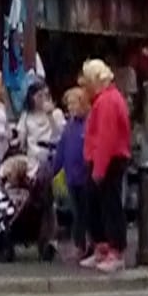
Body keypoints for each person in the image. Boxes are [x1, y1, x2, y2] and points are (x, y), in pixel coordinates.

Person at [79, 59, 131, 274]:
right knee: (97, 205)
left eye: (87, 81)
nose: (84, 86)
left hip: (108, 161)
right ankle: (102, 247)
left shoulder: (107, 101)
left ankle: (115, 250)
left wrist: (98, 169)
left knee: (109, 206)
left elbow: (106, 139)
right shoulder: (106, 99)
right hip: (105, 160)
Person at [50, 86, 90, 260]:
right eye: (69, 104)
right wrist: (54, 170)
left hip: (86, 176)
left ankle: (89, 244)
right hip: (72, 177)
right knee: (77, 213)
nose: (71, 108)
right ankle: (79, 245)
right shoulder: (69, 127)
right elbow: (61, 150)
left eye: (74, 103)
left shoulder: (88, 124)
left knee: (87, 213)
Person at [16, 79, 66, 170]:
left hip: (52, 156)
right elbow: (21, 138)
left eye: (46, 95)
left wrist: (50, 116)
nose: (43, 99)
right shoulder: (26, 115)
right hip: (33, 158)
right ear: (32, 97)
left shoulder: (57, 113)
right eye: (39, 96)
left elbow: (60, 135)